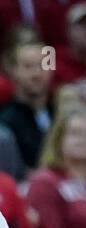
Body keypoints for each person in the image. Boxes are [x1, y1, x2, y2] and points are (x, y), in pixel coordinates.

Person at [0, 39, 53, 170]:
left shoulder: (61, 113)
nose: (37, 74)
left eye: (43, 66)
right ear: (13, 71)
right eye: (28, 66)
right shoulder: (6, 122)